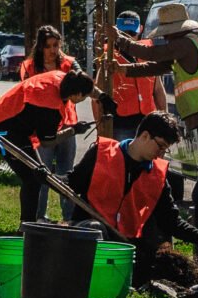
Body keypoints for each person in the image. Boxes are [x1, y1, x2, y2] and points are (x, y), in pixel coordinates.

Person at [113, 1, 198, 292]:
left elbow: (151, 53)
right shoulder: (187, 45)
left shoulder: (186, 43)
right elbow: (156, 65)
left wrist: (120, 41)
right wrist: (123, 70)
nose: (165, 38)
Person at [68, 110, 184, 285]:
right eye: (160, 146)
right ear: (145, 136)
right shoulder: (101, 153)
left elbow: (170, 220)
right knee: (95, 227)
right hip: (91, 234)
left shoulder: (158, 176)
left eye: (165, 150)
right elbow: (72, 182)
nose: (161, 154)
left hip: (125, 242)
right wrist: (46, 177)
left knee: (150, 237)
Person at [0, 68, 96, 224]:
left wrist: (102, 97)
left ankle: (28, 224)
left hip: (15, 126)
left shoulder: (61, 79)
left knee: (37, 175)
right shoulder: (50, 107)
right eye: (85, 97)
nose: (84, 99)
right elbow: (47, 142)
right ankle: (27, 226)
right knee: (32, 177)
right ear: (78, 94)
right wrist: (74, 130)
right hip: (3, 127)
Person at [101, 11, 163, 134]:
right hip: (120, 123)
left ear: (140, 29)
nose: (129, 36)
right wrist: (101, 128)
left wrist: (163, 117)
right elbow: (98, 95)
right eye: (125, 33)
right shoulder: (108, 56)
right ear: (116, 32)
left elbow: (158, 90)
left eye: (132, 32)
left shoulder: (148, 53)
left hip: (148, 121)